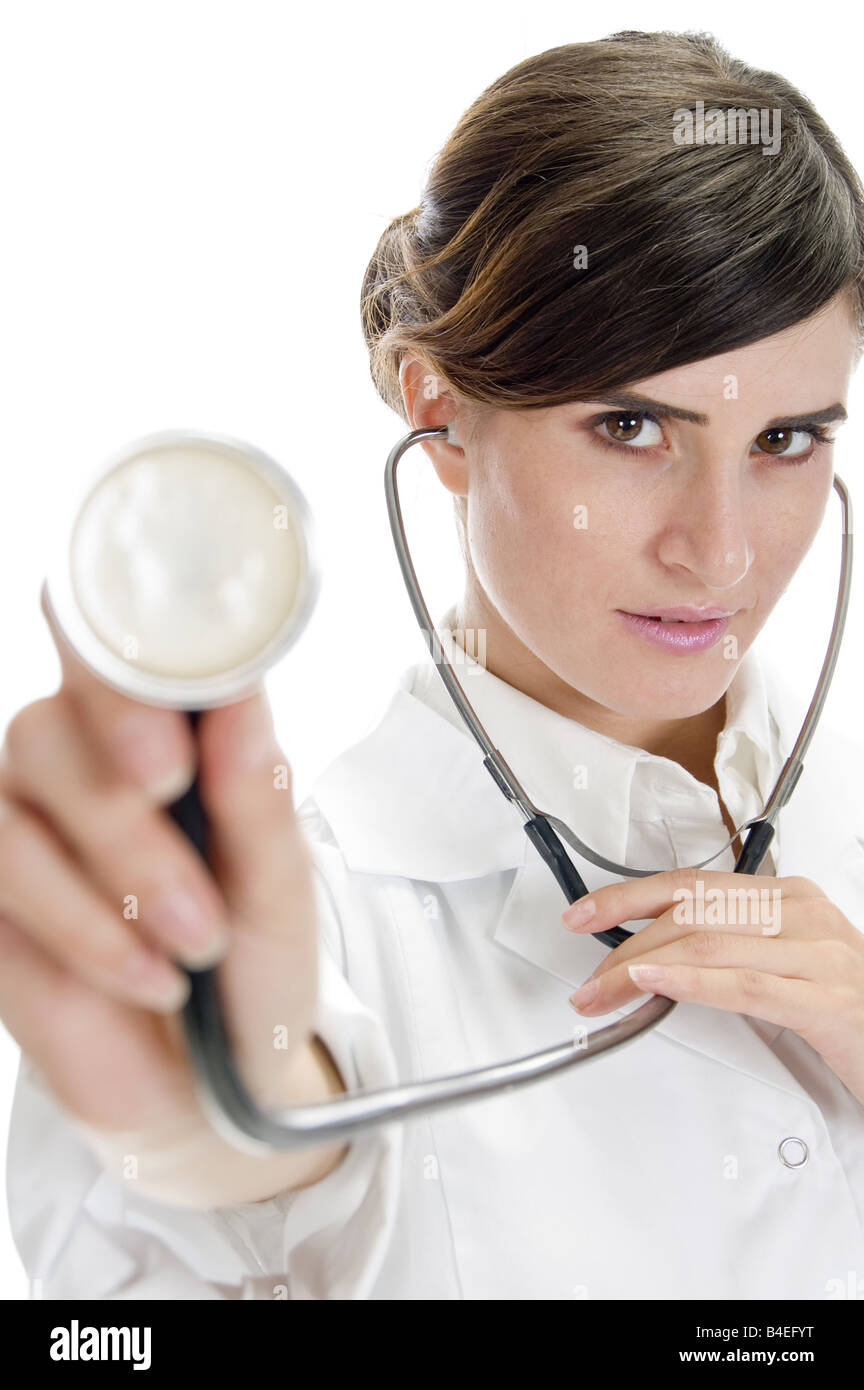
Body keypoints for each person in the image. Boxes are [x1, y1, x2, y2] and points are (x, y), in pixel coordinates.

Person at [3, 30, 864, 1301]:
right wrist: (230, 1124)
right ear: (438, 409)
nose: (721, 551)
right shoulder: (311, 918)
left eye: (787, 438)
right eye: (631, 426)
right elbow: (173, 1229)